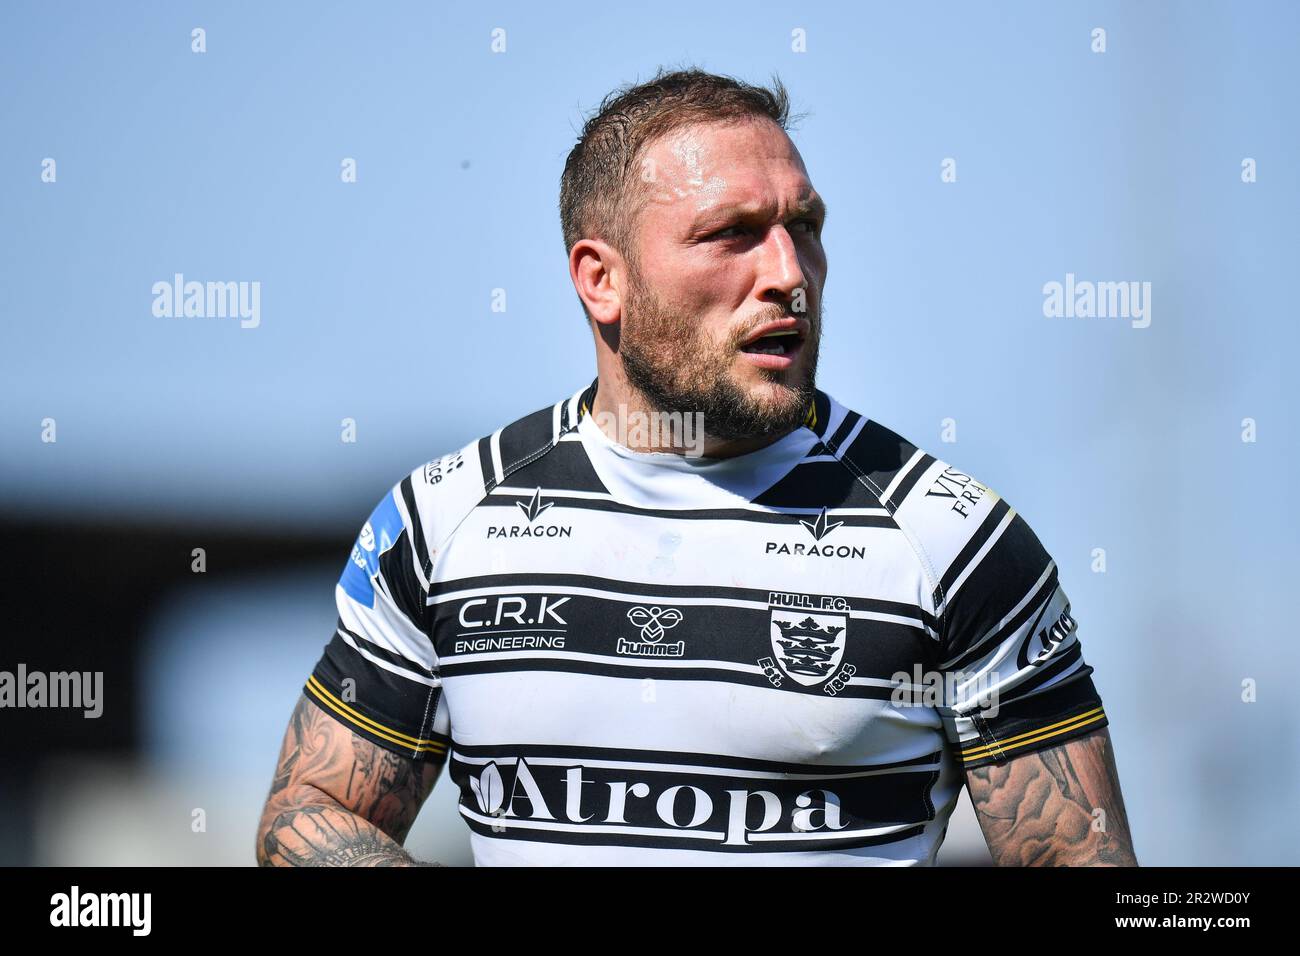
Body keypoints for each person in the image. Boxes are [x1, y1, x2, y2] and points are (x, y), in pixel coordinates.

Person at [256, 68, 1136, 866]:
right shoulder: (445, 523)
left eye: (806, 228)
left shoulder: (954, 540)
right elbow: (311, 812)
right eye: (733, 235)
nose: (790, 274)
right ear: (602, 279)